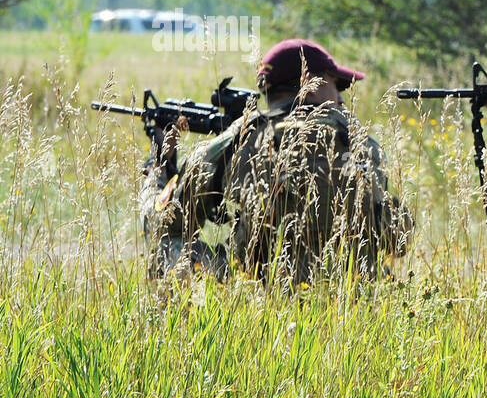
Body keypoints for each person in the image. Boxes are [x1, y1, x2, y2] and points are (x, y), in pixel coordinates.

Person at [142, 38, 414, 285]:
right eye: (337, 85)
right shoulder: (363, 143)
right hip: (355, 299)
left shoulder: (243, 138)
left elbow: (164, 224)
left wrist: (158, 173)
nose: (341, 97)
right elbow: (400, 241)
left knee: (167, 247)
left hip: (261, 299)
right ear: (311, 82)